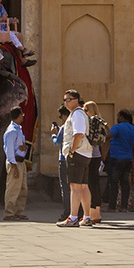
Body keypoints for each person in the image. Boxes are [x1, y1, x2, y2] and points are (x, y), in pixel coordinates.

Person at [58, 90, 94, 227]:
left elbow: (78, 134)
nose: (66, 103)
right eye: (64, 100)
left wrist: (71, 151)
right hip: (85, 153)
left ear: (76, 100)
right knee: (84, 186)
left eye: (68, 99)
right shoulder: (79, 113)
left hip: (77, 154)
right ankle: (86, 217)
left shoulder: (77, 114)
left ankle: (73, 217)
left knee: (74, 186)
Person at [1, 106, 29, 221]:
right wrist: (14, 166)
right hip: (15, 162)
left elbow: (17, 145)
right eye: (22, 114)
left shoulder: (19, 129)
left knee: (22, 188)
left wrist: (23, 147)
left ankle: (18, 211)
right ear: (19, 116)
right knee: (13, 189)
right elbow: (9, 150)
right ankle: (9, 213)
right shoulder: (11, 131)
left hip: (21, 161)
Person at [105, 110, 134, 212]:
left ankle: (112, 207)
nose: (117, 118)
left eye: (118, 116)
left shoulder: (118, 127)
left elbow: (108, 136)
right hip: (128, 158)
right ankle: (124, 207)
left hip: (116, 157)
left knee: (113, 183)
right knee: (125, 183)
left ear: (123, 117)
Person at [81, 102, 106, 222]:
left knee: (89, 183)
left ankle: (92, 213)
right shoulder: (99, 121)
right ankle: (96, 212)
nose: (84, 111)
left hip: (89, 155)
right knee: (94, 183)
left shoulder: (90, 122)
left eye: (86, 109)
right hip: (97, 155)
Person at [50, 106, 71, 222]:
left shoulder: (64, 127)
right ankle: (77, 211)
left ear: (64, 116)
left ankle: (67, 211)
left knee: (65, 187)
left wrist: (54, 134)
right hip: (75, 159)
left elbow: (57, 143)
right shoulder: (76, 125)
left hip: (63, 159)